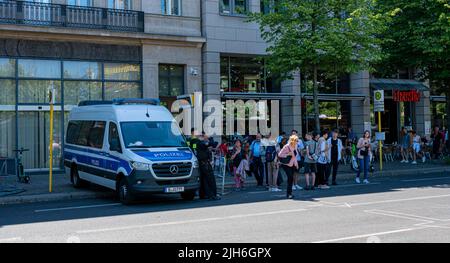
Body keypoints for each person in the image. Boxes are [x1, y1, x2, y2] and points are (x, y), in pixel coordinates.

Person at [196, 134, 220, 200]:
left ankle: (204, 195)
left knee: (204, 180)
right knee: (211, 180)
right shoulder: (201, 143)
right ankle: (212, 195)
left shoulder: (199, 143)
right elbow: (214, 144)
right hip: (205, 164)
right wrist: (209, 138)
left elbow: (214, 144)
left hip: (202, 164)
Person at [278, 135, 299, 199]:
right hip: (286, 165)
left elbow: (294, 157)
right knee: (290, 178)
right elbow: (280, 154)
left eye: (297, 140)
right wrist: (287, 154)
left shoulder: (295, 146)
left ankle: (290, 193)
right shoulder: (286, 146)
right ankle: (289, 194)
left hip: (292, 164)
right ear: (292, 140)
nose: (297, 142)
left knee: (291, 178)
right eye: (296, 140)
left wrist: (296, 164)